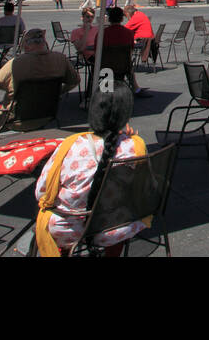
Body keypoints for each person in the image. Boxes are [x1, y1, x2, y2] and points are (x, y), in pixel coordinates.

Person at [35, 85, 147, 256]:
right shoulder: (135, 146)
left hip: (67, 230)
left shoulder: (70, 145)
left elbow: (42, 192)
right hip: (114, 227)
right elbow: (143, 188)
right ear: (125, 114)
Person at [0, 28, 79, 145]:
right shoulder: (60, 59)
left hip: (16, 119)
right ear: (45, 43)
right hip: (47, 115)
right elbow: (74, 81)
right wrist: (58, 92)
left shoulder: (15, 64)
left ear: (26, 45)